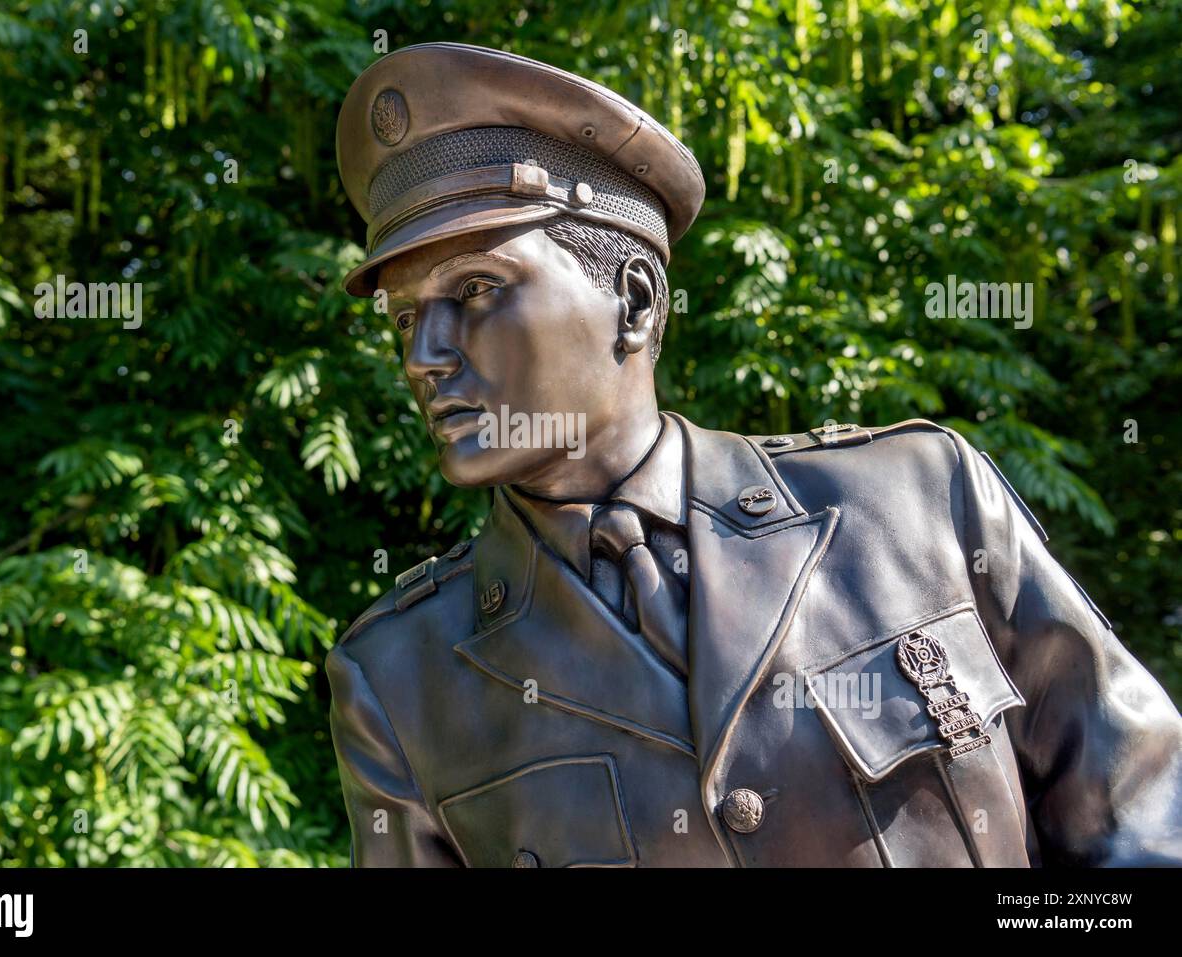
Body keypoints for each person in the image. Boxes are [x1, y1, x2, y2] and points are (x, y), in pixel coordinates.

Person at [326, 42, 1182, 867]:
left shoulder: (919, 503)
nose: (423, 354)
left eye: (474, 289)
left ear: (633, 298)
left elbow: (1145, 810)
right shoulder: (401, 681)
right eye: (405, 317)